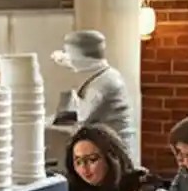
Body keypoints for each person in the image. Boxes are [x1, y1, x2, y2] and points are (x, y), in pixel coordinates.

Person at [50, 30, 136, 158]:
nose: (68, 58)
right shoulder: (106, 73)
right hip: (107, 148)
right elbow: (76, 62)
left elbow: (82, 119)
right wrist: (63, 58)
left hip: (114, 154)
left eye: (69, 52)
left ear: (80, 56)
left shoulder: (102, 84)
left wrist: (48, 127)